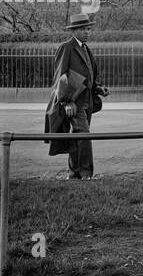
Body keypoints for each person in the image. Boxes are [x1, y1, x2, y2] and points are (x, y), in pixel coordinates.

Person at [44, 12, 105, 180]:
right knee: (84, 134)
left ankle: (74, 174)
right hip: (74, 103)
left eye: (88, 29)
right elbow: (60, 77)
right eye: (83, 29)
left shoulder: (85, 48)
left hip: (87, 102)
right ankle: (86, 174)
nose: (87, 32)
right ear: (75, 30)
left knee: (79, 136)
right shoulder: (67, 47)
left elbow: (89, 75)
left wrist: (99, 88)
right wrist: (66, 102)